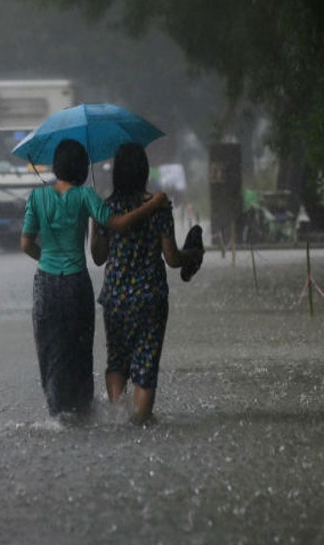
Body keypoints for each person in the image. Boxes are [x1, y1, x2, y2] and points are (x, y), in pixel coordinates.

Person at [21, 139, 169, 420]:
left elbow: (26, 243)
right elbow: (119, 225)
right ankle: (82, 410)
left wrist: (47, 259)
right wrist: (155, 204)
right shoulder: (86, 196)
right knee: (79, 350)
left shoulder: (36, 197)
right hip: (76, 284)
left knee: (50, 349)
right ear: (80, 168)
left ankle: (57, 413)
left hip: (47, 285)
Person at [90, 143, 203, 425]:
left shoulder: (106, 209)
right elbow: (172, 258)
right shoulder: (159, 207)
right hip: (150, 298)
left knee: (117, 361)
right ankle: (140, 421)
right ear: (143, 172)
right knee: (145, 364)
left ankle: (118, 417)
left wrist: (97, 224)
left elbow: (98, 257)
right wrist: (195, 254)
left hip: (115, 298)